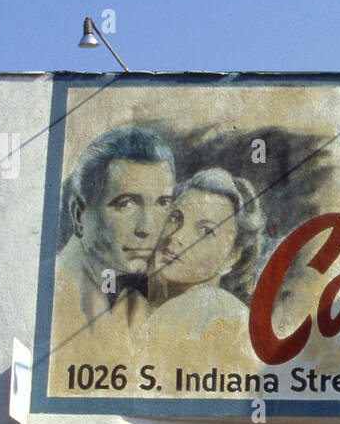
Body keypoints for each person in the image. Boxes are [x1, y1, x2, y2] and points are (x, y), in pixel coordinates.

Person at [52, 127, 176, 354]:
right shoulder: (56, 302)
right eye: (126, 203)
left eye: (162, 203)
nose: (147, 228)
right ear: (79, 214)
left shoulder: (130, 297)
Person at [146, 168, 264, 362]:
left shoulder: (214, 310)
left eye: (206, 231)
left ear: (233, 255)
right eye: (175, 218)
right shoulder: (143, 304)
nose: (177, 236)